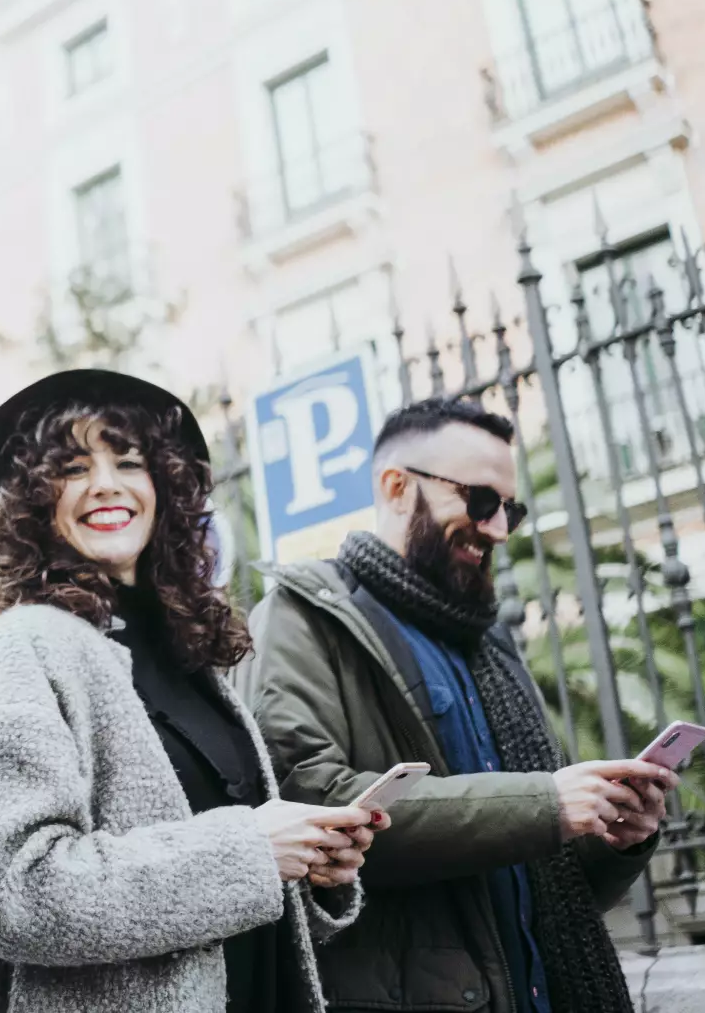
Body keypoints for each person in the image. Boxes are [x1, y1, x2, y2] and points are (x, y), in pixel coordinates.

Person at [0, 369, 381, 1013]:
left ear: (164, 486)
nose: (107, 484)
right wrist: (252, 851)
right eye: (73, 468)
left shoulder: (185, 656)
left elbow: (212, 912)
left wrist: (310, 872)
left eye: (129, 461)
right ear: (33, 500)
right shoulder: (29, 643)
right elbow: (15, 895)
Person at [245, 396, 677, 1013]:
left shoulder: (490, 645)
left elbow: (549, 884)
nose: (499, 527)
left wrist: (615, 840)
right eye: (479, 501)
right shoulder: (302, 618)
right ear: (397, 487)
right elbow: (314, 801)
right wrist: (547, 804)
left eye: (511, 508)